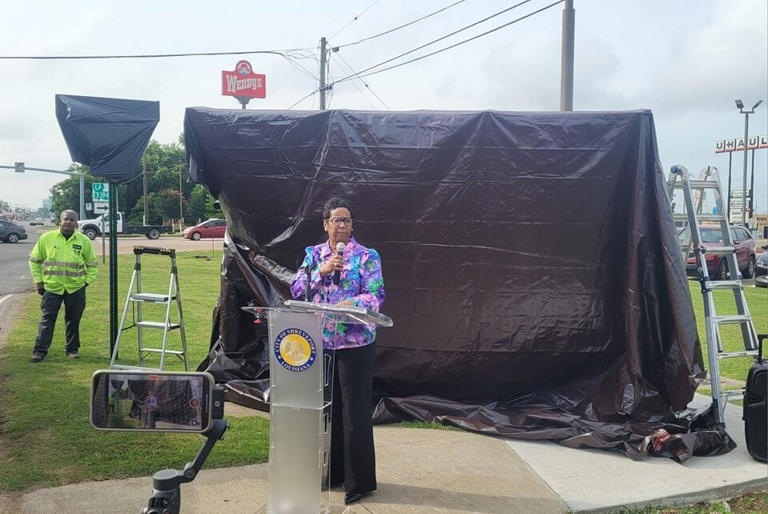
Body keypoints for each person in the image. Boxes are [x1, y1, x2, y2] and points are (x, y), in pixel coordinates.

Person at [290, 198, 385, 506]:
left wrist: (352, 303)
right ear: (325, 224)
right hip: (321, 342)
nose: (342, 225)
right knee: (329, 411)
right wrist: (321, 270)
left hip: (356, 344)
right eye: (336, 220)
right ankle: (334, 473)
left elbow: (376, 295)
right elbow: (297, 289)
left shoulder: (367, 256)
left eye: (347, 220)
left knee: (355, 413)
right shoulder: (313, 255)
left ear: (352, 226)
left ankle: (359, 483)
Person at [28, 209, 98, 362]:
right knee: (47, 319)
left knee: (73, 320)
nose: (68, 222)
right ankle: (39, 351)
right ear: (60, 221)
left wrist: (86, 282)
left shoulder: (83, 241)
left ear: (76, 223)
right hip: (51, 287)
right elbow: (34, 261)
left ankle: (72, 350)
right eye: (66, 219)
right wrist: (38, 281)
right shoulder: (47, 238)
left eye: (72, 219)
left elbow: (92, 265)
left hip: (75, 288)